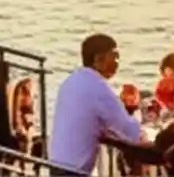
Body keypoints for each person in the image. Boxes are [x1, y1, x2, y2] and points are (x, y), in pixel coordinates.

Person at [49, 34, 145, 175]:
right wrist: (136, 108)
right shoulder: (98, 87)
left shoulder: (71, 81)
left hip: (56, 164)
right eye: (114, 56)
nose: (118, 62)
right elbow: (130, 132)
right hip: (73, 172)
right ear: (98, 59)